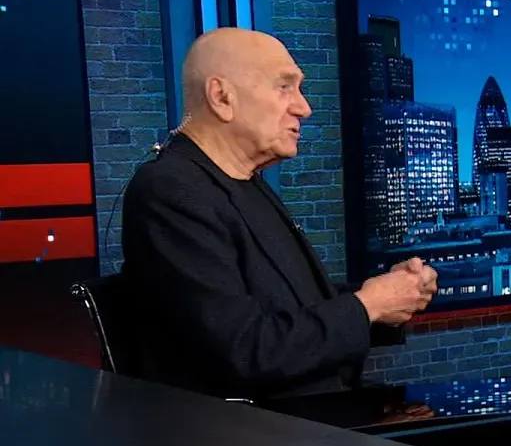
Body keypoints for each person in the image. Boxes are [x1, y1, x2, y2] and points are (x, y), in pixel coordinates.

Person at [123, 28, 438, 400]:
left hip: (314, 417)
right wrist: (369, 305)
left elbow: (294, 306)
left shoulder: (244, 182)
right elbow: (244, 351)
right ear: (222, 97)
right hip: (254, 432)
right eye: (285, 87)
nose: (304, 108)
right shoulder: (170, 191)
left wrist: (385, 298)